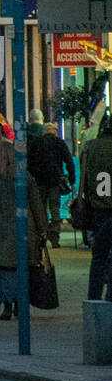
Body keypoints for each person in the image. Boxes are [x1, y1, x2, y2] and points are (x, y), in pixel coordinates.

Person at [0, 135, 48, 319]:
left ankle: (6, 304)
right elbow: (36, 203)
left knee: (2, 271)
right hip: (24, 230)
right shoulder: (24, 175)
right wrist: (43, 228)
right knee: (22, 270)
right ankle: (20, 304)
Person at [27, 120, 76, 248]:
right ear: (54, 131)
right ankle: (54, 237)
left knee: (41, 208)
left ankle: (42, 235)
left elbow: (29, 162)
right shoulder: (59, 142)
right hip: (55, 181)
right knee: (55, 208)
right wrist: (72, 179)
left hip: (39, 180)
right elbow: (69, 161)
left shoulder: (36, 143)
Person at [81, 118, 112, 301]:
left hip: (98, 209)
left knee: (98, 256)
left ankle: (94, 296)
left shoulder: (90, 147)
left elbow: (84, 180)